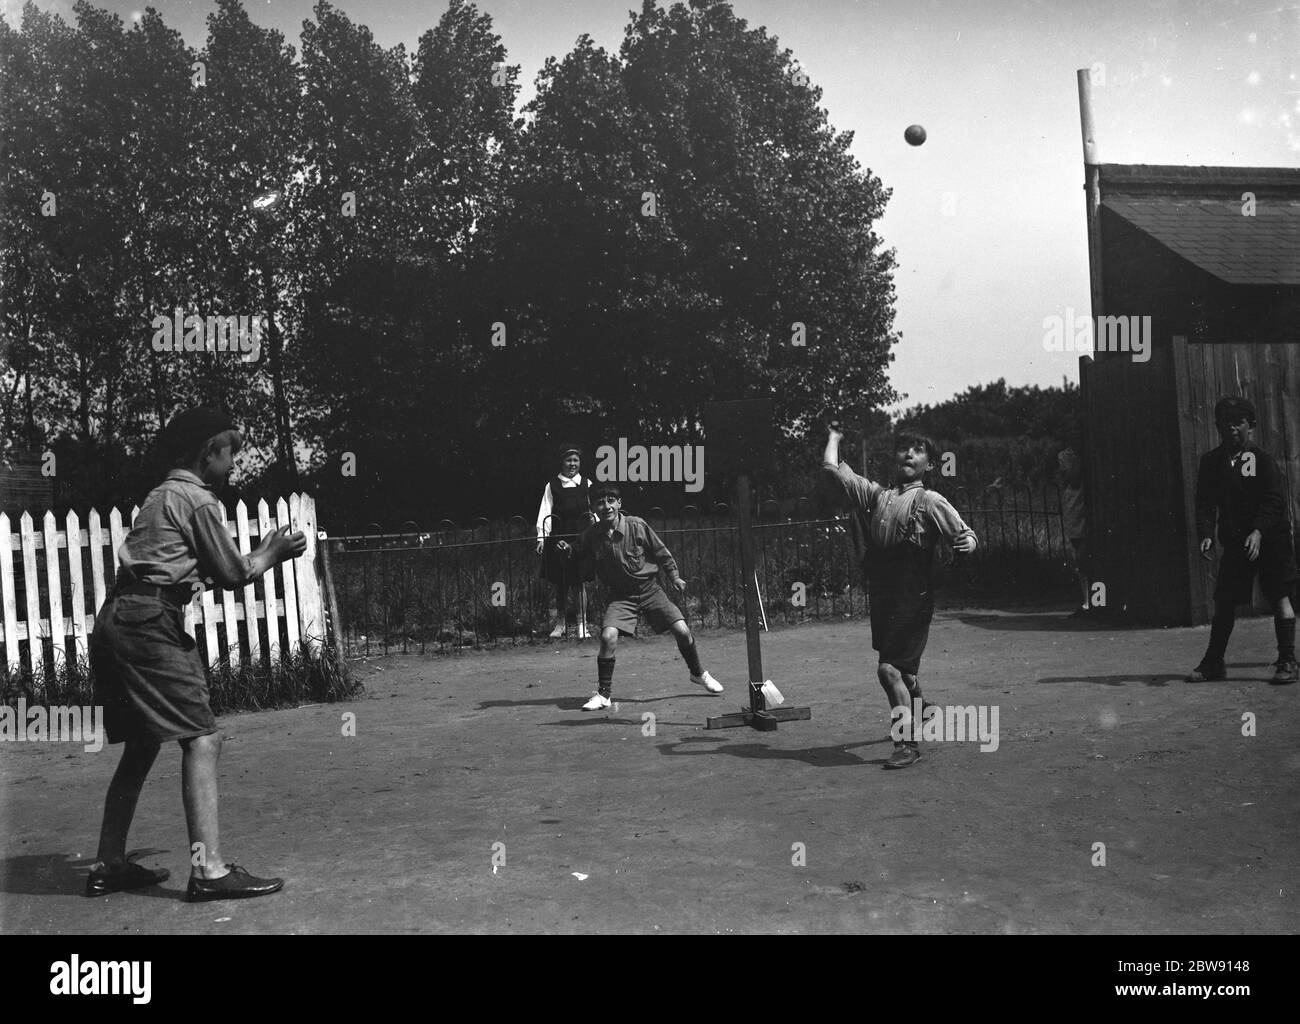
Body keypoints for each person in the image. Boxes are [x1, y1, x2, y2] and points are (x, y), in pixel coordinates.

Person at [86, 408, 306, 901]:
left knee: (141, 744)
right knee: (203, 739)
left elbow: (177, 564)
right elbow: (231, 573)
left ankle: (110, 862)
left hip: (115, 620)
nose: (234, 465)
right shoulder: (198, 499)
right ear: (209, 452)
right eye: (230, 454)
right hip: (150, 623)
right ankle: (208, 872)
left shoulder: (160, 495)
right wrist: (271, 551)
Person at [822, 425, 978, 769]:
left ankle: (907, 744)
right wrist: (834, 437)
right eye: (904, 448)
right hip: (885, 597)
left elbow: (965, 534)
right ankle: (921, 704)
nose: (909, 454)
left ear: (930, 465)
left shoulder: (931, 501)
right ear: (894, 456)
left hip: (914, 597)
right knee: (902, 670)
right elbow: (834, 471)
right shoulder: (877, 496)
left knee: (888, 670)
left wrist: (968, 543)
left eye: (918, 450)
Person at [557, 483, 723, 710]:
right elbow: (577, 549)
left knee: (682, 630)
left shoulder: (637, 525)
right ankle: (604, 694)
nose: (606, 507)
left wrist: (674, 577)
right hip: (621, 596)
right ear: (593, 507)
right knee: (608, 637)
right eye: (599, 503)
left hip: (650, 590)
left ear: (619, 503)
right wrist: (568, 549)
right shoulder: (592, 534)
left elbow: (661, 552)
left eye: (610, 501)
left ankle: (698, 673)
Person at [1186, 397, 1297, 685]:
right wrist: (1206, 534)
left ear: (1252, 425)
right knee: (1224, 602)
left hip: (1271, 539)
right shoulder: (1211, 463)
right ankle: (1213, 663)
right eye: (1225, 422)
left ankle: (1287, 661)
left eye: (1238, 421)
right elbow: (1204, 503)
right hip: (1237, 541)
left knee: (1279, 597)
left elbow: (1273, 502)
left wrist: (1258, 531)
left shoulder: (1263, 460)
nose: (1231, 427)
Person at [535, 445, 595, 639]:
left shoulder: (587, 484)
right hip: (558, 540)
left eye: (576, 460)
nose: (572, 464)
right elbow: (545, 512)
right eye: (569, 460)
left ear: (580, 463)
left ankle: (581, 624)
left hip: (581, 540)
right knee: (560, 583)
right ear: (562, 462)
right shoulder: (551, 485)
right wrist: (542, 538)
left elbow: (595, 512)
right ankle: (560, 624)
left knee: (579, 583)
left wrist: (600, 531)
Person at [1058, 448, 1090, 616]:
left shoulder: (1079, 484)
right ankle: (1088, 602)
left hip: (1083, 527)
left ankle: (1096, 602)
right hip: (1074, 528)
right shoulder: (1069, 486)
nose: (1062, 468)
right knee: (1081, 566)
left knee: (1086, 564)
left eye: (1064, 464)